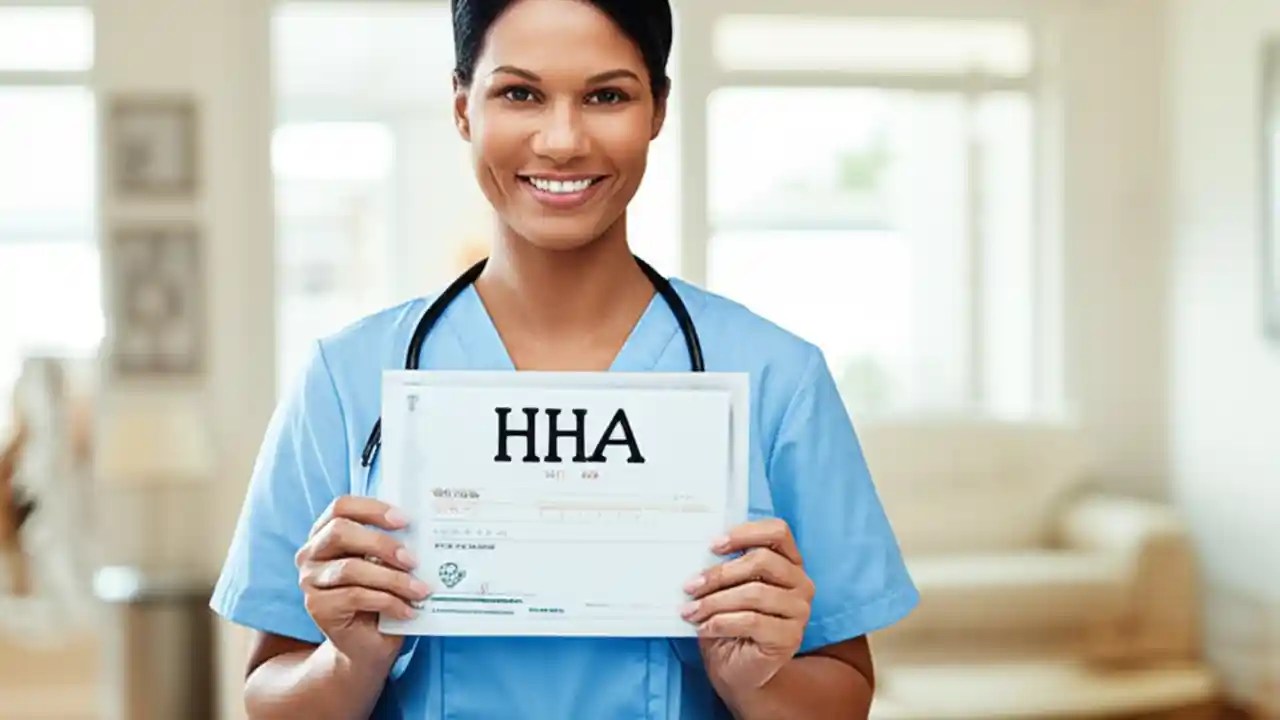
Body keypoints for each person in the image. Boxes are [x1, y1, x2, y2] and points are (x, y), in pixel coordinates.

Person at [210, 0, 919, 717]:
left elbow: (844, 693)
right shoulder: (346, 379)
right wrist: (349, 660)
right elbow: (269, 695)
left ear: (658, 109)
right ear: (462, 108)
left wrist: (753, 680)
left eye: (607, 97)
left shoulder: (778, 379)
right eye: (520, 93)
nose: (561, 141)